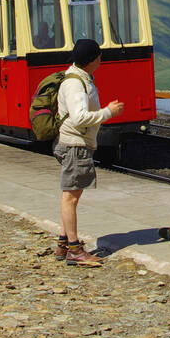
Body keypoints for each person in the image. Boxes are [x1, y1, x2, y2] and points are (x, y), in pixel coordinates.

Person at [52, 38, 124, 267]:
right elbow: (79, 117)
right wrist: (108, 113)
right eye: (98, 55)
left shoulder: (78, 78)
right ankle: (74, 250)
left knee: (71, 195)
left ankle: (64, 244)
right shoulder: (75, 84)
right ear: (92, 59)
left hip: (76, 143)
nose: (101, 59)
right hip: (76, 145)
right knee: (70, 197)